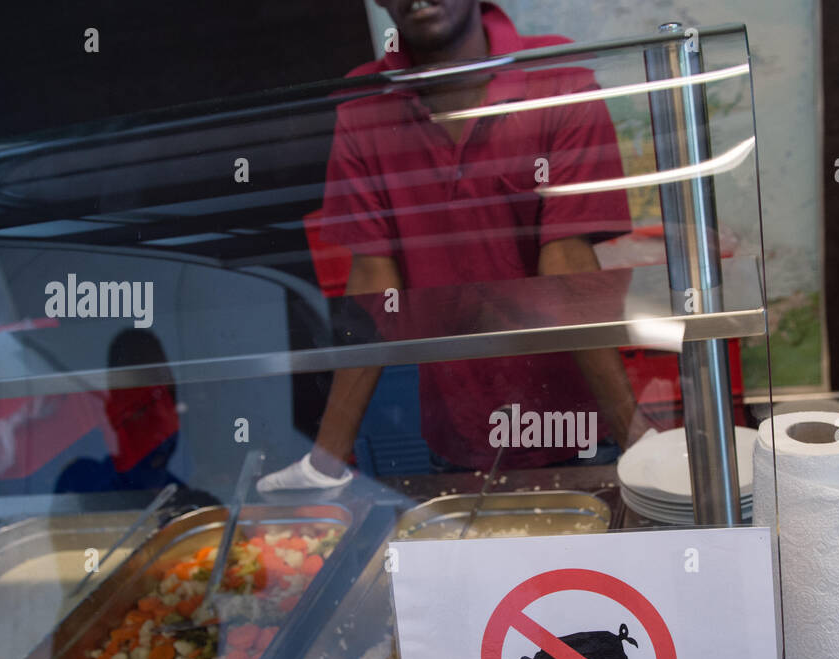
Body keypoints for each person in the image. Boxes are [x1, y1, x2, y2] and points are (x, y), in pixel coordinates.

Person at [258, 0, 652, 492]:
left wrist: (632, 435)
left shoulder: (558, 81)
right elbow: (374, 283)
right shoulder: (363, 107)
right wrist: (326, 460)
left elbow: (566, 263)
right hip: (457, 440)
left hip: (579, 433)